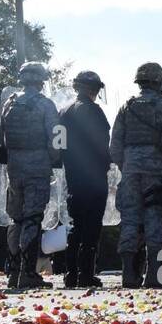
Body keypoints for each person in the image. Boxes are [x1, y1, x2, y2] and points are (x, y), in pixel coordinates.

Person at [110, 62, 162, 288]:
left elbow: (115, 145)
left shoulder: (127, 107)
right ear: (158, 81)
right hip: (157, 172)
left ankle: (128, 274)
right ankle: (153, 275)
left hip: (131, 171)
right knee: (155, 220)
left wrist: (128, 166)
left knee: (130, 220)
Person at [0, 61, 62, 290]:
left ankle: (13, 270)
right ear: (41, 81)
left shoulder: (9, 103)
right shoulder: (46, 104)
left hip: (14, 166)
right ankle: (27, 273)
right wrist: (53, 158)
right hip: (37, 165)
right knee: (33, 217)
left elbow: (2, 139)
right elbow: (57, 138)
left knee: (16, 219)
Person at [59, 70, 111, 288]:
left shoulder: (63, 111)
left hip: (72, 177)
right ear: (95, 89)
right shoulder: (94, 111)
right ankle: (86, 274)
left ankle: (70, 273)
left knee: (76, 225)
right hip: (94, 177)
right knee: (91, 226)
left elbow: (58, 145)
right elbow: (102, 144)